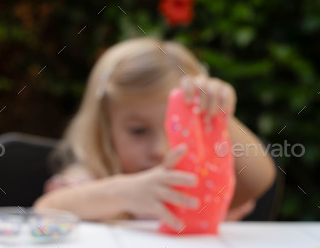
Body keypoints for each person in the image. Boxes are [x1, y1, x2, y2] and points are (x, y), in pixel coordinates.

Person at [34, 38, 276, 231]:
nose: (159, 149)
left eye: (177, 128)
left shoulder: (197, 190)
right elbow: (45, 210)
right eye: (138, 131)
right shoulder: (91, 181)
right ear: (104, 129)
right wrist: (122, 193)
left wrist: (217, 115)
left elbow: (259, 178)